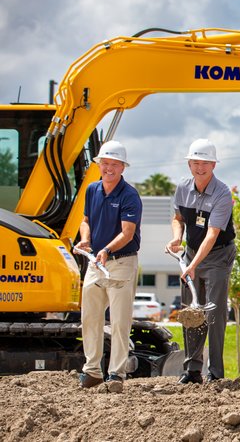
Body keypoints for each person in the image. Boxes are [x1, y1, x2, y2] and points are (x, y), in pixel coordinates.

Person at [167, 138, 236, 384]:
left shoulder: (222, 193)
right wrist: (177, 239)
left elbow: (212, 234)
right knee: (191, 311)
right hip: (191, 252)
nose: (200, 167)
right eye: (195, 162)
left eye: (205, 163)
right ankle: (192, 369)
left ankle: (215, 371)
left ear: (214, 165)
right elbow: (178, 218)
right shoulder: (182, 188)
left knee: (213, 312)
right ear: (189, 163)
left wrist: (192, 266)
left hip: (218, 254)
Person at [75, 141, 142, 393]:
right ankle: (92, 371)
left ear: (122, 167)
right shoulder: (92, 190)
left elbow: (127, 233)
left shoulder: (129, 195)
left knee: (119, 320)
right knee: (89, 317)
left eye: (114, 164)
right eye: (105, 163)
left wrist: (106, 250)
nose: (109, 168)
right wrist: (86, 238)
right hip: (96, 262)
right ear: (99, 165)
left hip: (121, 261)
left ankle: (116, 372)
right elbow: (85, 220)